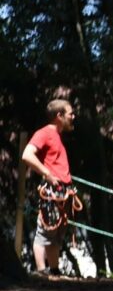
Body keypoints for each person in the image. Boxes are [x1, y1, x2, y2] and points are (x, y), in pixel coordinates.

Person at [21, 99, 78, 275]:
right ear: (59, 116)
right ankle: (41, 272)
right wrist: (47, 174)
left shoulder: (58, 137)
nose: (73, 117)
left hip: (62, 192)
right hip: (52, 191)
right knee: (45, 230)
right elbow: (27, 154)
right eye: (70, 113)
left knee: (57, 232)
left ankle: (54, 271)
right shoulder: (44, 133)